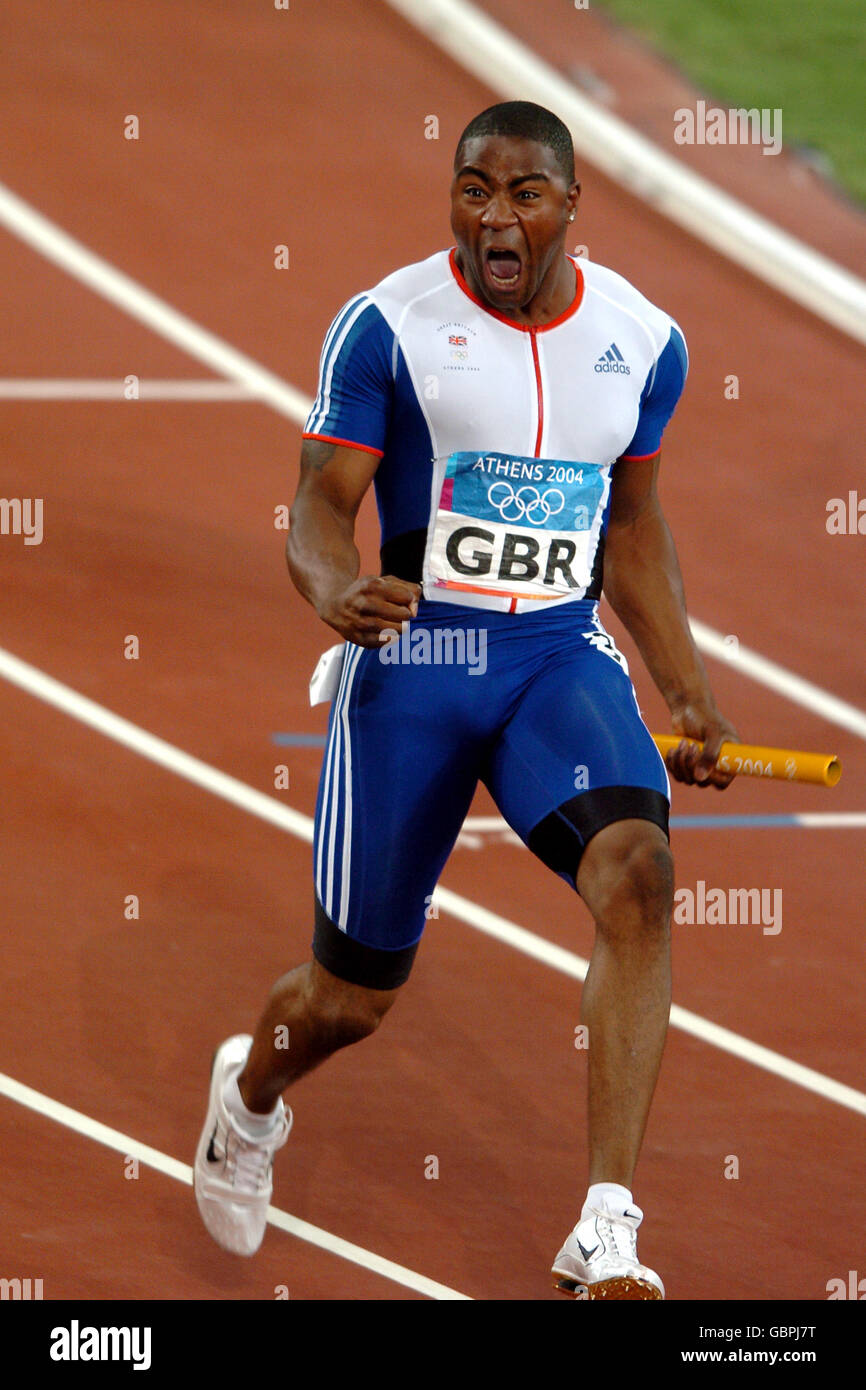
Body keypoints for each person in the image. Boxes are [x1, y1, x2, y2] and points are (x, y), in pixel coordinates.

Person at [194, 100, 738, 1300]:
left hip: (555, 656)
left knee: (639, 872)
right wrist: (338, 592)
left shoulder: (644, 342)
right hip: (417, 669)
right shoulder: (386, 326)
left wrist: (686, 690)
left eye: (522, 194)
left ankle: (604, 1221)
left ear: (569, 206)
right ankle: (248, 1098)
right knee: (350, 998)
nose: (494, 215)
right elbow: (317, 507)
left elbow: (632, 529)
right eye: (472, 189)